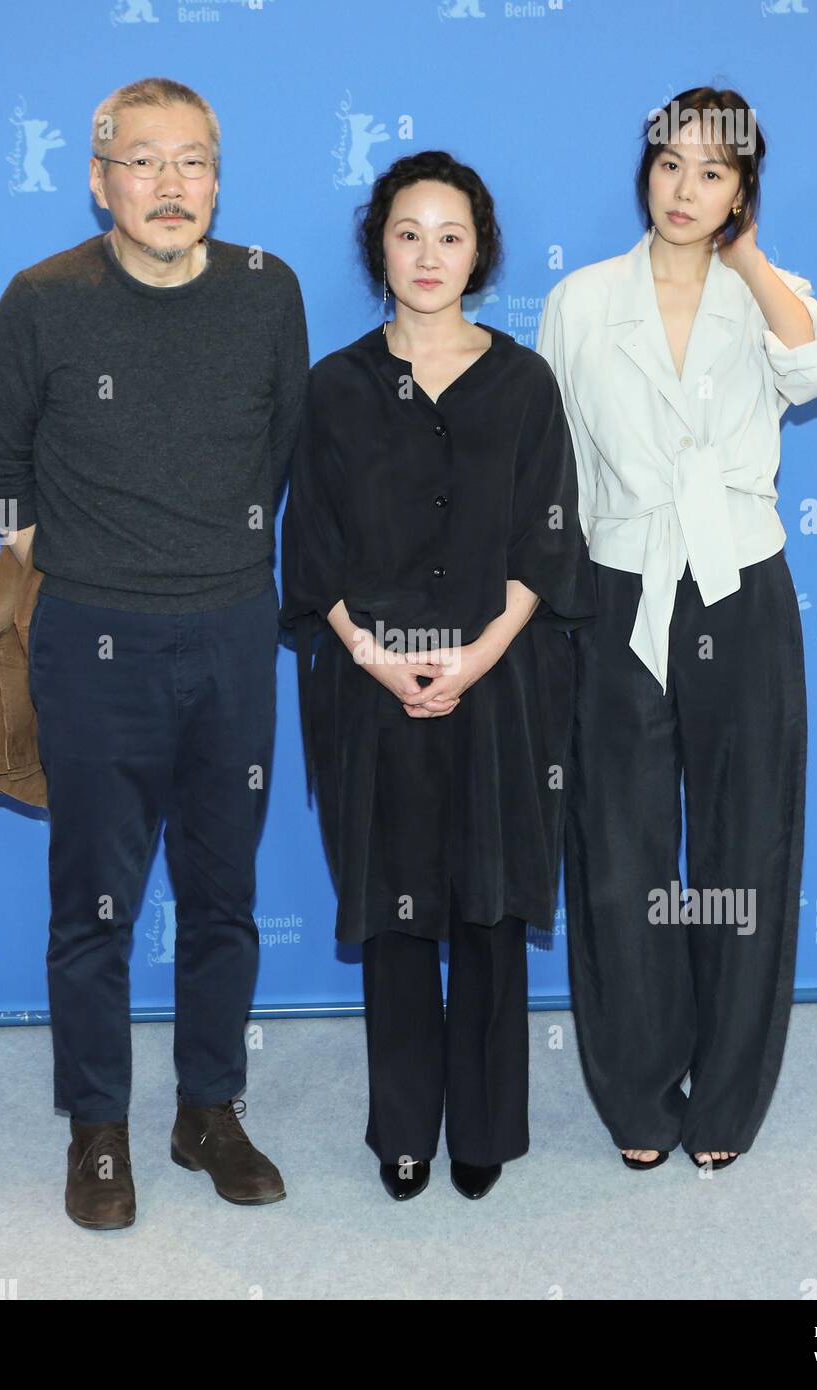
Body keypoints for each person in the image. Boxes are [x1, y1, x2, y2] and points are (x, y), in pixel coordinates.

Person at [0, 77, 308, 1228]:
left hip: (231, 633)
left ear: (218, 176)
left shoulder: (270, 293)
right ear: (100, 177)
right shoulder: (41, 299)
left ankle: (207, 1109)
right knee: (94, 906)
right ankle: (97, 1130)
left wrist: (205, 561)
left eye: (194, 162)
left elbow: (280, 452)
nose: (171, 186)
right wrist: (105, 564)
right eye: (145, 162)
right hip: (92, 644)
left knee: (224, 897)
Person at [537, 88, 817, 1174]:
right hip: (618, 587)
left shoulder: (767, 295)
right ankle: (635, 1090)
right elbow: (559, 463)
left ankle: (723, 1100)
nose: (685, 191)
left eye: (713, 174)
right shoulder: (579, 300)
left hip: (738, 586)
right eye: (670, 165)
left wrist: (750, 263)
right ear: (644, 172)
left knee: (742, 848)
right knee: (620, 851)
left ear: (742, 192)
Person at [279, 150, 594, 1202]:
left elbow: (549, 546)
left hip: (498, 680)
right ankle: (403, 1130)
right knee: (395, 910)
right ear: (378, 244)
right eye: (406, 231)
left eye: (449, 234)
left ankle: (485, 1130)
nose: (427, 254)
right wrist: (379, 661)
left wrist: (472, 655)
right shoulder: (335, 386)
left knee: (491, 908)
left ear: (480, 251)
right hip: (368, 691)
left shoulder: (523, 383)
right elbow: (309, 551)